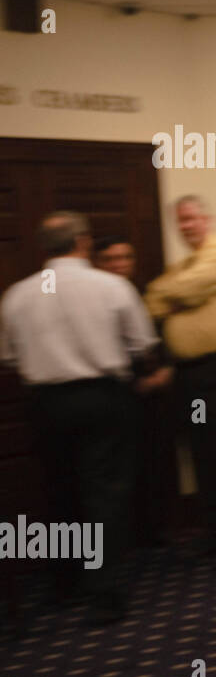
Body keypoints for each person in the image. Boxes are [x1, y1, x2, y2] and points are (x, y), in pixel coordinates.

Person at [0, 212, 167, 624]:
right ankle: (104, 591)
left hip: (45, 402)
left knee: (59, 491)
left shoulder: (16, 296)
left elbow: (8, 357)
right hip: (103, 399)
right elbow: (143, 343)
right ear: (84, 242)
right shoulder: (111, 286)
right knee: (104, 493)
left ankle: (65, 583)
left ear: (43, 247)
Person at [144, 195, 216, 562]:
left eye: (191, 218)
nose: (186, 226)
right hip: (190, 378)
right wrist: (175, 294)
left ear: (207, 219)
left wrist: (178, 294)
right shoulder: (185, 264)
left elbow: (177, 290)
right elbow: (154, 302)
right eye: (181, 221)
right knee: (201, 452)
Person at [94, 235, 175, 549]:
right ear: (98, 262)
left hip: (150, 394)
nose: (120, 265)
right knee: (112, 470)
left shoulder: (146, 294)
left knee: (152, 461)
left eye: (125, 257)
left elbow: (160, 339)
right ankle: (121, 539)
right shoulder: (92, 296)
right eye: (111, 259)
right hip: (111, 394)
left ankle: (152, 530)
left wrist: (164, 372)